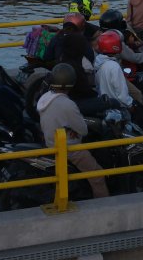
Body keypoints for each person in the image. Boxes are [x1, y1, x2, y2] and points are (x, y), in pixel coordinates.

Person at [36, 64, 109, 198]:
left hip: (50, 144)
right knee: (97, 175)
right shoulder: (67, 104)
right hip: (69, 149)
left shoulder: (45, 98)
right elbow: (83, 130)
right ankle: (103, 204)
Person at [93, 31, 135, 110]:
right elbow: (121, 93)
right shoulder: (114, 66)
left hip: (105, 105)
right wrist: (130, 105)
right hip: (117, 107)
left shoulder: (98, 63)